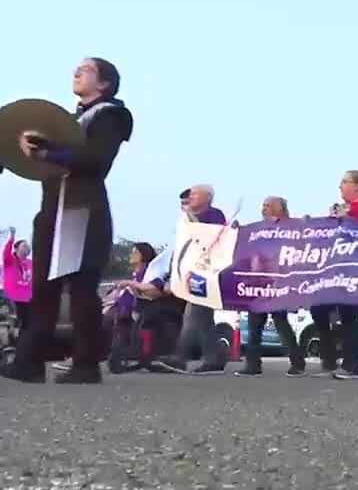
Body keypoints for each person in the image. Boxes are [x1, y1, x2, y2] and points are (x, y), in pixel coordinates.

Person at [6, 57, 134, 384]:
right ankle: (29, 362)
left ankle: (86, 364)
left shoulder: (111, 116)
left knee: (81, 291)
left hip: (84, 211)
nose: (76, 72)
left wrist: (48, 153)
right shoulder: (68, 121)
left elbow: (95, 159)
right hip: (51, 211)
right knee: (43, 290)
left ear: (104, 83)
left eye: (86, 69)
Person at [308, 170, 358, 380]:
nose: (340, 186)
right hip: (336, 268)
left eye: (344, 182)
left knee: (350, 315)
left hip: (354, 269)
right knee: (319, 309)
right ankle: (330, 360)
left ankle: (352, 364)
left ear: (357, 186)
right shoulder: (344, 208)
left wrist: (345, 218)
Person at [157, 184, 229, 375]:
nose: (190, 198)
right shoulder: (187, 218)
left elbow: (207, 237)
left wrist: (190, 217)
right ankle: (214, 358)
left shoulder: (215, 215)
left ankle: (180, 358)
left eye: (195, 194)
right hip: (194, 274)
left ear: (207, 197)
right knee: (203, 320)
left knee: (193, 316)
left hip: (207, 275)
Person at [237, 197, 306, 378]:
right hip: (259, 283)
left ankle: (297, 362)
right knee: (254, 325)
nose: (264, 208)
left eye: (268, 205)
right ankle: (252, 364)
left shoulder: (290, 229)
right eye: (263, 205)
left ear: (280, 209)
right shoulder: (258, 230)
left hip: (278, 283)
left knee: (281, 323)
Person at [104, 242, 157, 374]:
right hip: (121, 307)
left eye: (135, 252)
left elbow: (148, 289)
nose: (131, 255)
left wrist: (128, 286)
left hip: (136, 308)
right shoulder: (133, 275)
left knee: (117, 318)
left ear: (143, 255)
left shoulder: (148, 273)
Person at [3, 228, 32, 332]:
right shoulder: (10, 260)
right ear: (16, 249)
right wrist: (12, 238)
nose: (27, 248)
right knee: (16, 322)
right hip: (14, 297)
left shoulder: (30, 263)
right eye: (24, 245)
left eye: (28, 246)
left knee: (28, 323)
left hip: (27, 298)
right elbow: (6, 252)